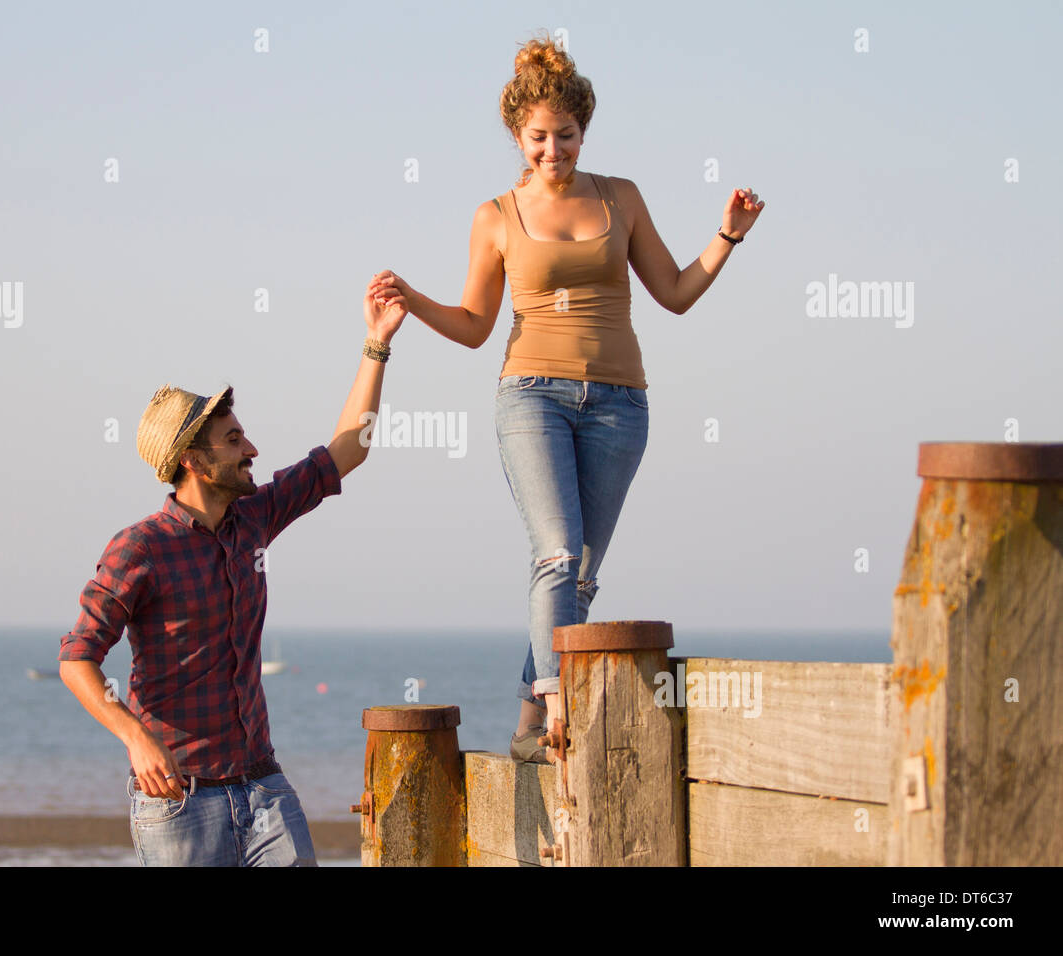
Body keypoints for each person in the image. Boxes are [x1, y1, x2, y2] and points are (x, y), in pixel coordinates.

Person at [368, 36, 765, 762]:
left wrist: (726, 237)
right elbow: (474, 326)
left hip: (621, 403)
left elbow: (674, 294)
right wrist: (412, 301)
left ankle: (525, 725)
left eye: (567, 136)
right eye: (540, 138)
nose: (555, 150)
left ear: (585, 130)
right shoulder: (497, 215)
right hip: (531, 396)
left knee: (579, 572)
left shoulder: (622, 197)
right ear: (518, 138)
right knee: (554, 551)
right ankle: (555, 707)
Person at [58, 281, 408, 866]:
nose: (252, 448)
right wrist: (134, 737)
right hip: (179, 800)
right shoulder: (139, 548)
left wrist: (376, 344)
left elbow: (351, 448)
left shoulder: (255, 518)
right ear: (194, 462)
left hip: (264, 787)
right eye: (234, 439)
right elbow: (76, 659)